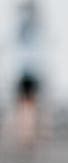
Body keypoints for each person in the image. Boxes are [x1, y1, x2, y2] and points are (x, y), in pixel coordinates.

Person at [11, 0, 47, 150]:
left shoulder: (21, 27)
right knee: (31, 105)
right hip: (33, 71)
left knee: (23, 106)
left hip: (23, 71)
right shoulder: (37, 27)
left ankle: (25, 135)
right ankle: (28, 135)